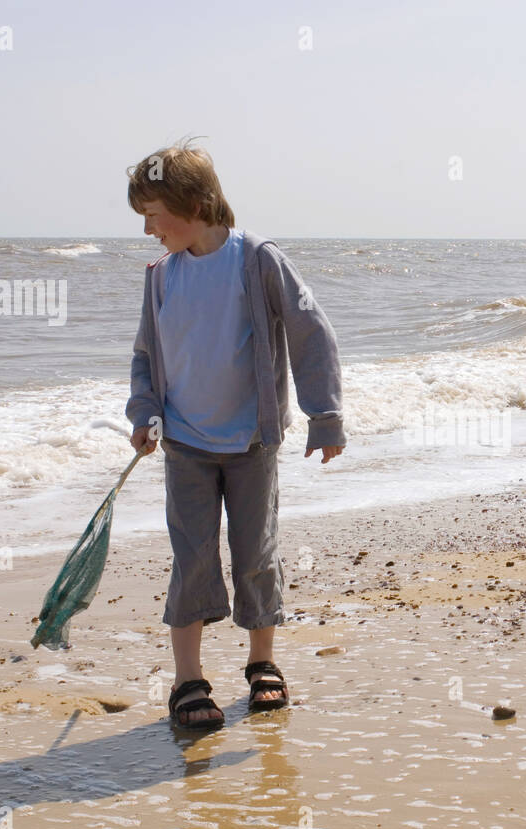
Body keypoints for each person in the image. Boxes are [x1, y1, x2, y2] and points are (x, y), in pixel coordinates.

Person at [125, 138, 346, 730]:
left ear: (194, 205)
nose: (147, 229)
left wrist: (325, 415)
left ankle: (262, 662)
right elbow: (146, 355)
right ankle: (188, 679)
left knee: (256, 555)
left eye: (154, 215)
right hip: (186, 445)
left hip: (252, 443)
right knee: (192, 559)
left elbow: (310, 330)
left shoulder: (256, 259)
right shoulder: (160, 276)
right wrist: (144, 412)